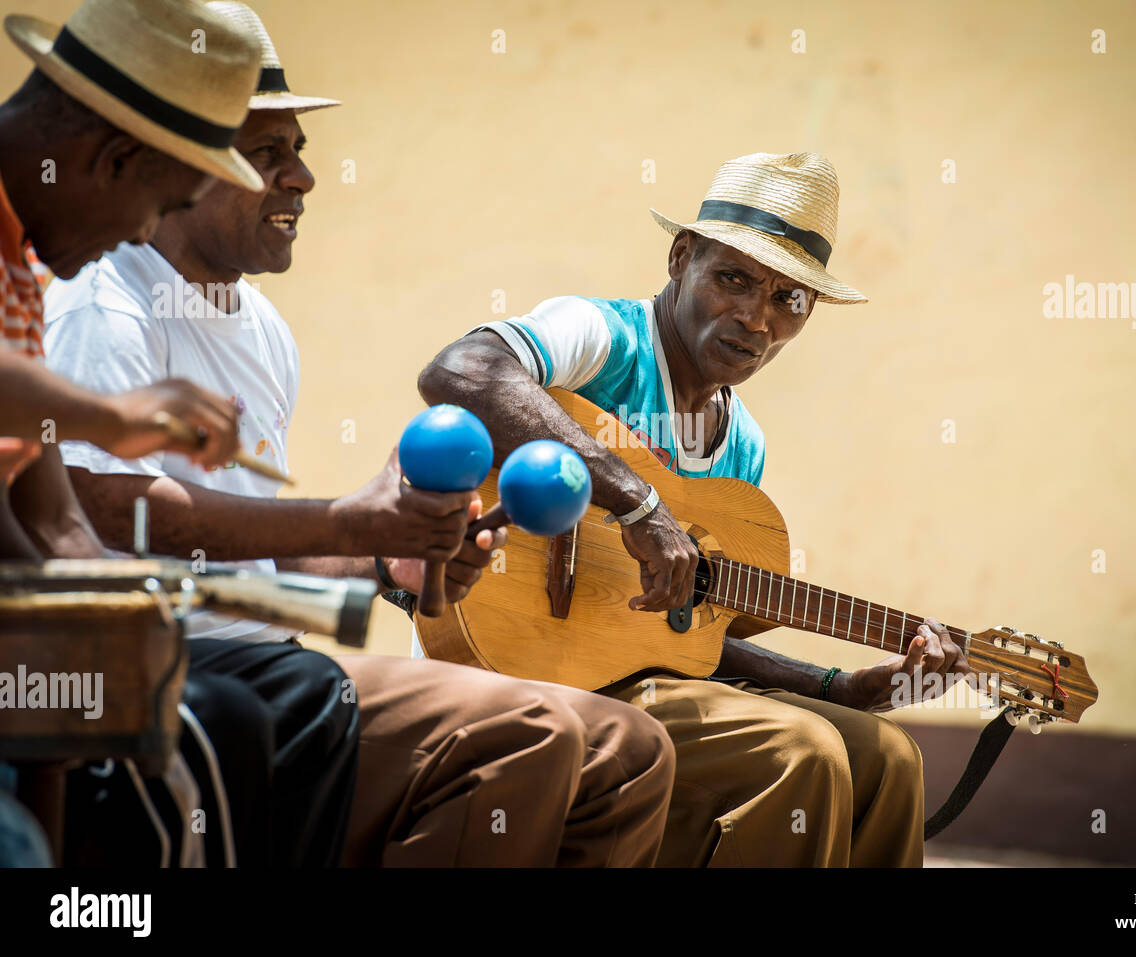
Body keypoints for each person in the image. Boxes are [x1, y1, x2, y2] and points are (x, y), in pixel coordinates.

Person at [45, 2, 675, 867]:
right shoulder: (101, 298)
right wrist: (349, 521)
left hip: (266, 656)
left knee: (628, 749)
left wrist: (388, 560)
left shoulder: (262, 327)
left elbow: (255, 544)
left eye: (299, 151)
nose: (302, 178)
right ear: (184, 162)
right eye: (269, 153)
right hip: (188, 666)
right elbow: (109, 507)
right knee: (531, 734)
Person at [418, 152, 975, 867]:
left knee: (889, 757)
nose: (756, 317)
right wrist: (638, 503)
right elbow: (459, 370)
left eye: (789, 300)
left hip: (646, 688)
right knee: (800, 752)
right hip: (518, 670)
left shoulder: (740, 446)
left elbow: (688, 640)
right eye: (733, 278)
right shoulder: (600, 338)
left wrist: (846, 686)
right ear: (682, 257)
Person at [1, 0, 358, 865]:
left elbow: (43, 521)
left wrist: (125, 617)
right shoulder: (77, 288)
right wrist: (109, 414)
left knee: (220, 711)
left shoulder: (20, 263)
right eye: (158, 202)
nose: (138, 234)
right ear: (114, 156)